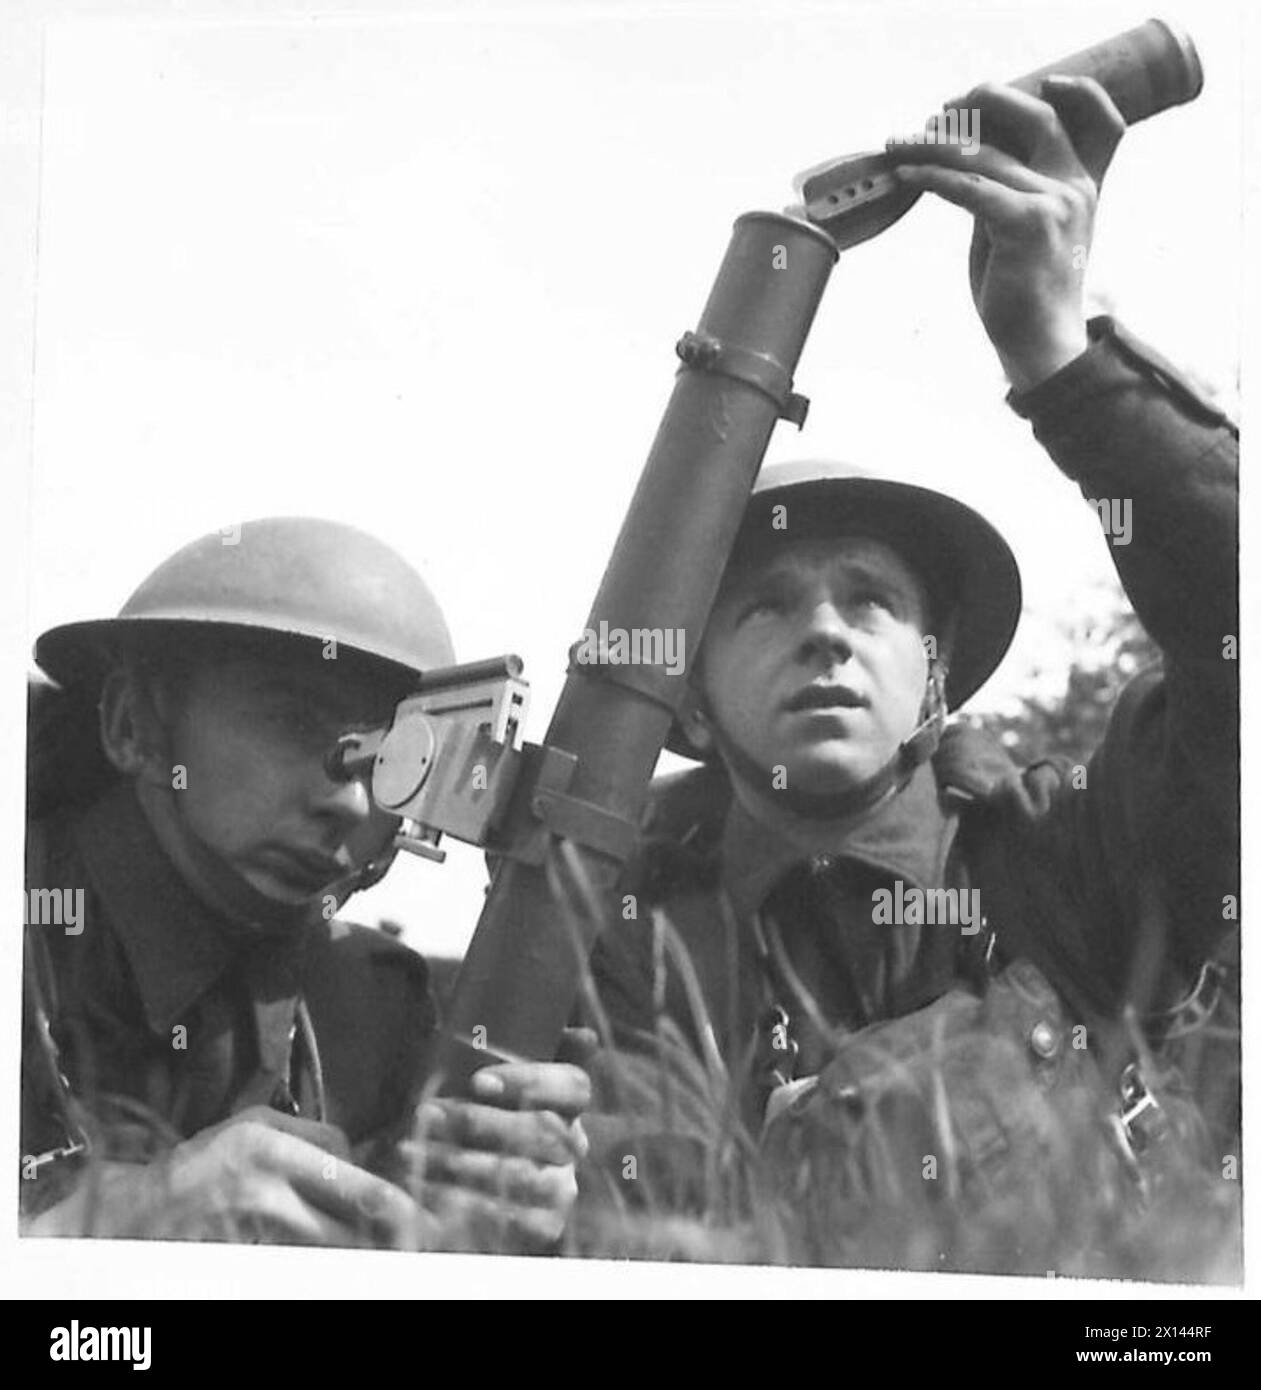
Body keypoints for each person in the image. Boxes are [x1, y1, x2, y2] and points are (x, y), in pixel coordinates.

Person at [580, 77, 1239, 1273]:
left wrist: (1059, 360)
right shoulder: (618, 933)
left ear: (935, 683)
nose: (824, 635)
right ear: (686, 694)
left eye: (871, 602)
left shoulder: (1070, 853)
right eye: (766, 608)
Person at [22, 517, 590, 1251]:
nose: (351, 802)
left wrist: (488, 1227)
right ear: (133, 723)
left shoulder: (371, 1008)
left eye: (389, 756)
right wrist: (92, 1234)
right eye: (293, 722)